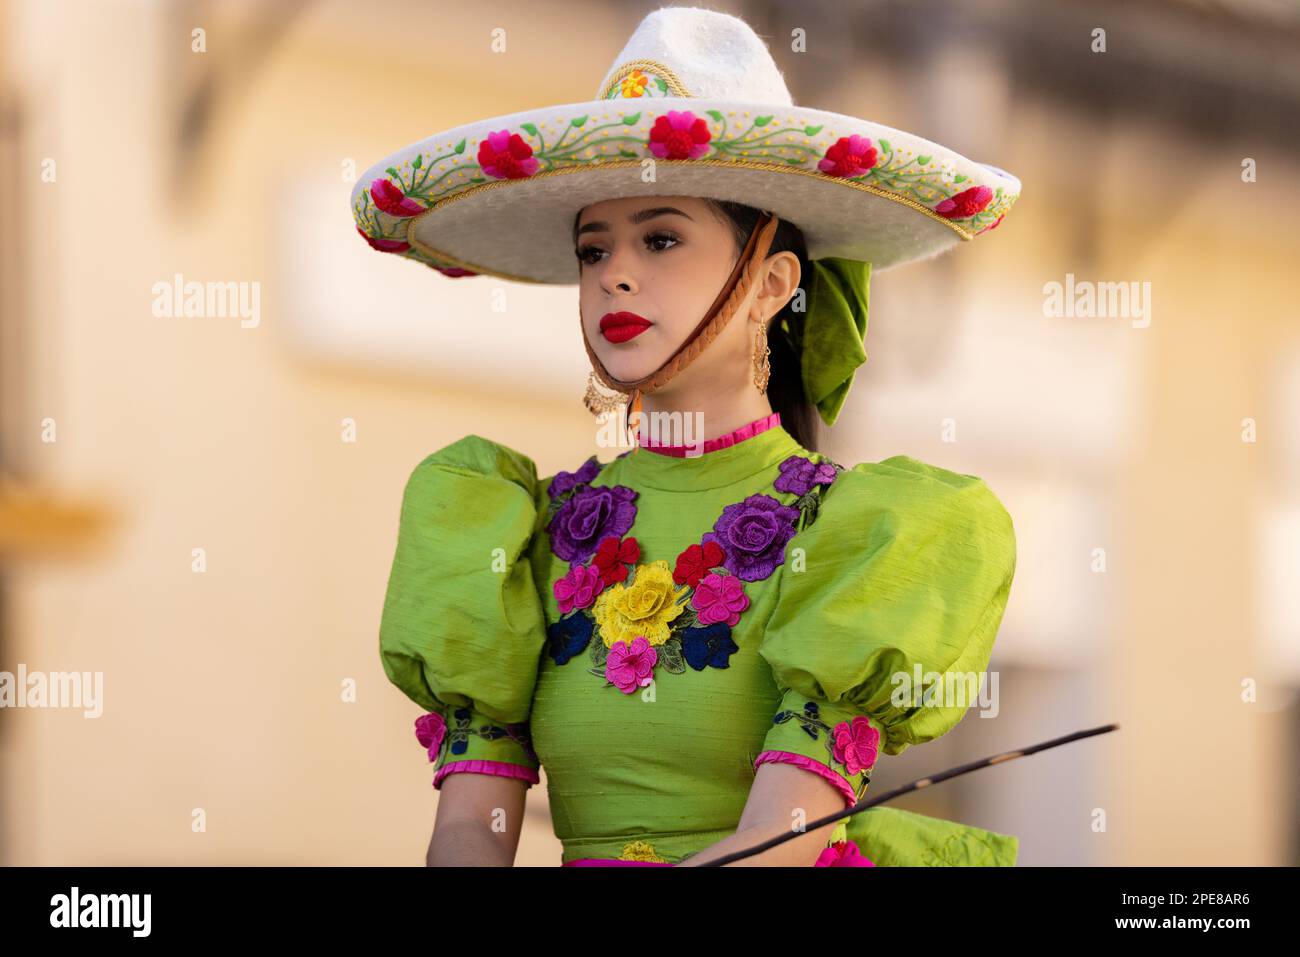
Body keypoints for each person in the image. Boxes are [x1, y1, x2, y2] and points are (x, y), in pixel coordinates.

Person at [357, 6, 1022, 866]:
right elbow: (467, 833)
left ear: (771, 282)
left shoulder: (856, 533)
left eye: (661, 238)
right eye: (594, 251)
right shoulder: (516, 532)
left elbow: (780, 844)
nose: (617, 273)